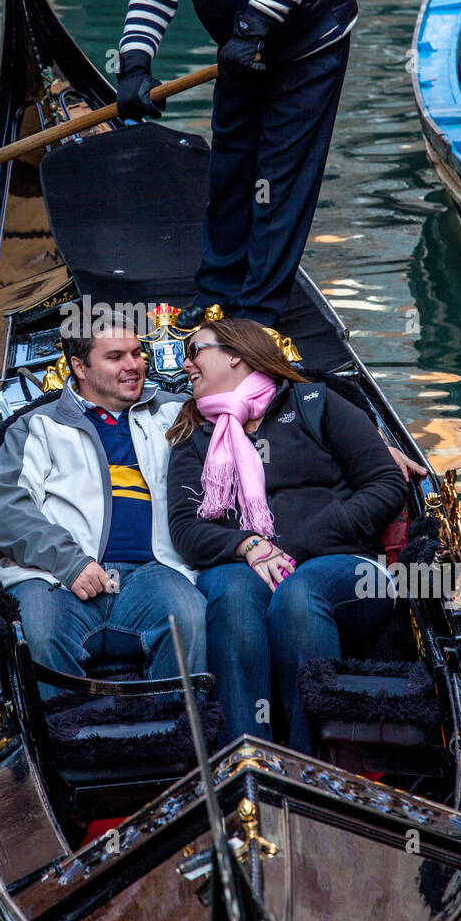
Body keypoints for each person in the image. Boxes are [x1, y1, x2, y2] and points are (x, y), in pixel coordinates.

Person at [113, 0, 358, 330]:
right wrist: (134, 64)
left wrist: (251, 29)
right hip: (242, 55)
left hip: (307, 44)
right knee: (230, 172)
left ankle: (257, 316)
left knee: (280, 179)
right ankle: (217, 293)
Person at [166, 318, 409, 753]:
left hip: (343, 565)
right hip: (245, 566)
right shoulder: (194, 434)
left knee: (300, 592)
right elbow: (186, 528)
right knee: (231, 594)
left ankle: (312, 763)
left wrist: (299, 545)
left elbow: (386, 483)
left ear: (235, 354)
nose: (185, 364)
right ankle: (247, 760)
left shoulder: (316, 402)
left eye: (195, 350)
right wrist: (248, 544)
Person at [0, 315, 206, 692]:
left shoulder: (176, 413)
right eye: (116, 356)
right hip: (55, 579)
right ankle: (59, 741)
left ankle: (176, 736)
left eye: (137, 353)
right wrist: (70, 563)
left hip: (153, 573)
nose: (133, 365)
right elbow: (8, 512)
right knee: (37, 630)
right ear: (79, 367)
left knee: (186, 615)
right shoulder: (36, 426)